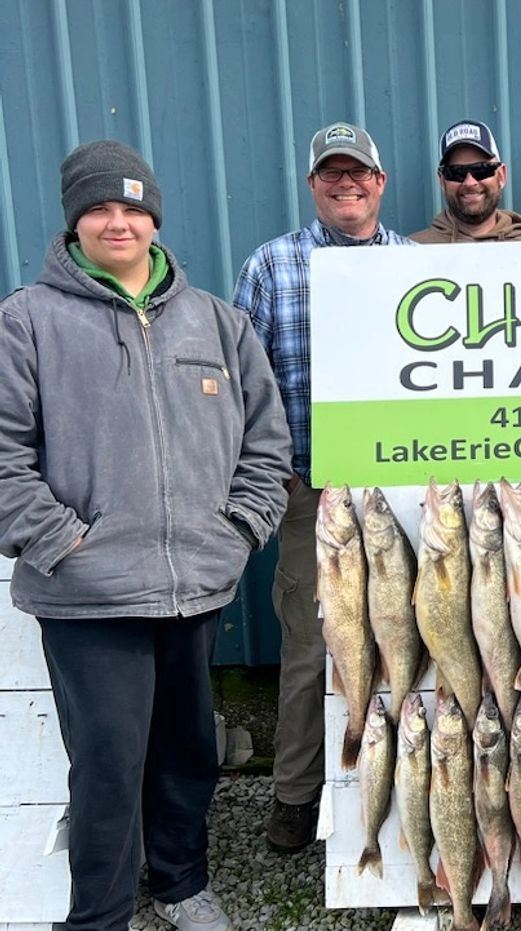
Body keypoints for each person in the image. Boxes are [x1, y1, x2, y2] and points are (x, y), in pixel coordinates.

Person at [0, 140, 291, 931]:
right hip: (88, 593)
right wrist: (63, 542)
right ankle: (97, 914)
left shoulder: (218, 324)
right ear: (74, 220)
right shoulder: (27, 321)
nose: (118, 221)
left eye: (133, 207)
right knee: (106, 763)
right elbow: (3, 455)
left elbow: (266, 443)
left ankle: (180, 882)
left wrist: (238, 529)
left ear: (155, 219)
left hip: (194, 583)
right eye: (100, 206)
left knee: (187, 750)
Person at [232, 121, 410, 854]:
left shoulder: (413, 262)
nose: (346, 183)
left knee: (408, 632)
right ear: (313, 184)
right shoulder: (273, 264)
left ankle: (406, 790)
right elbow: (243, 387)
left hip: (400, 494)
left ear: (380, 181)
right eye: (331, 173)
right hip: (312, 487)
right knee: (313, 642)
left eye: (358, 172)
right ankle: (297, 795)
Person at [411, 119, 521, 243]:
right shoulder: (414, 251)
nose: (470, 183)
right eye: (457, 172)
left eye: (481, 170)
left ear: (501, 176)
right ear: (442, 181)